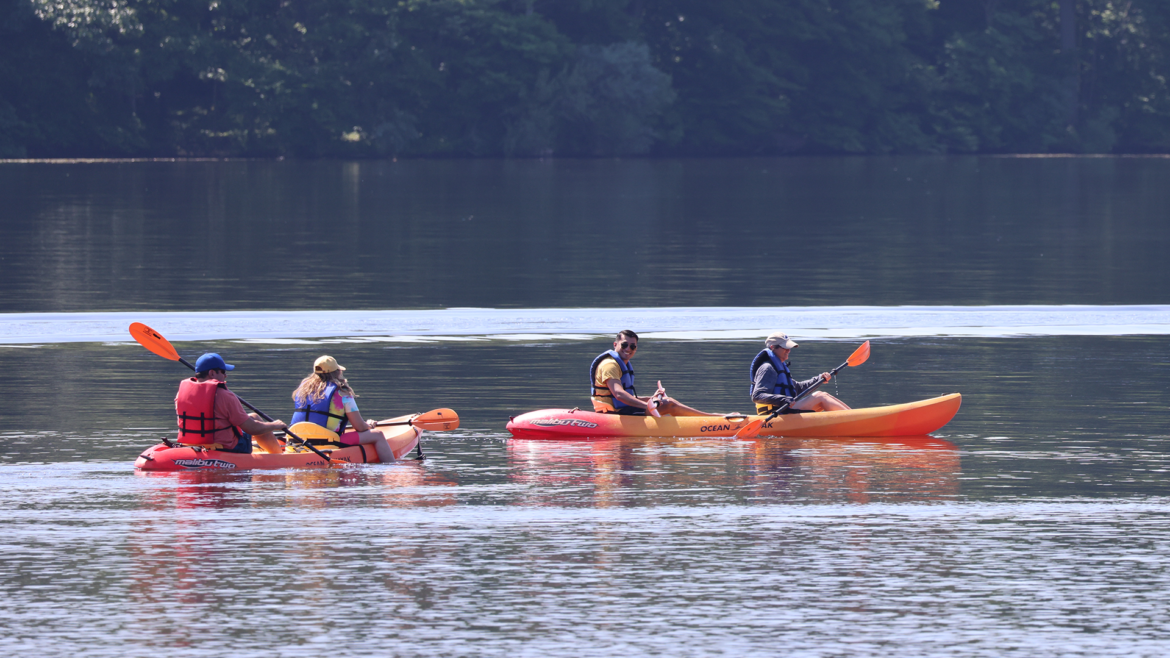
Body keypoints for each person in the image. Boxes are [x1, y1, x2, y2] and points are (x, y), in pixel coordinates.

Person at [590, 330, 719, 417]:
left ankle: (709, 418)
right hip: (613, 415)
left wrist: (651, 399)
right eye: (624, 345)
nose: (628, 349)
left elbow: (624, 398)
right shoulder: (610, 365)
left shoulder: (620, 363)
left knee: (664, 400)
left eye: (632, 346)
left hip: (621, 410)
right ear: (615, 344)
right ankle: (713, 419)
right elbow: (618, 394)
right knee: (669, 405)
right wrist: (648, 406)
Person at [174, 353, 286, 454]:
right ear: (212, 373)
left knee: (253, 416)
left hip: (192, 445)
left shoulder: (181, 394)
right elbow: (252, 429)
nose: (225, 375)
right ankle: (278, 456)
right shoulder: (225, 395)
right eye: (223, 372)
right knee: (258, 423)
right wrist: (275, 425)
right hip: (228, 448)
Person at [291, 355, 396, 462]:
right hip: (327, 442)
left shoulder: (303, 391)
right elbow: (360, 427)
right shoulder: (342, 393)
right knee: (378, 435)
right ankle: (390, 468)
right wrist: (369, 425)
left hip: (296, 440)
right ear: (337, 372)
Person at [750, 333, 850, 415]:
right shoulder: (768, 368)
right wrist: (783, 399)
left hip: (785, 411)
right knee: (820, 397)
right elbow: (757, 395)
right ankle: (852, 419)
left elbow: (797, 388)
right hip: (776, 414)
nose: (788, 350)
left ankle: (853, 415)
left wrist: (819, 379)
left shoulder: (779, 367)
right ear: (772, 347)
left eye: (789, 348)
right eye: (785, 348)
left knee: (823, 394)